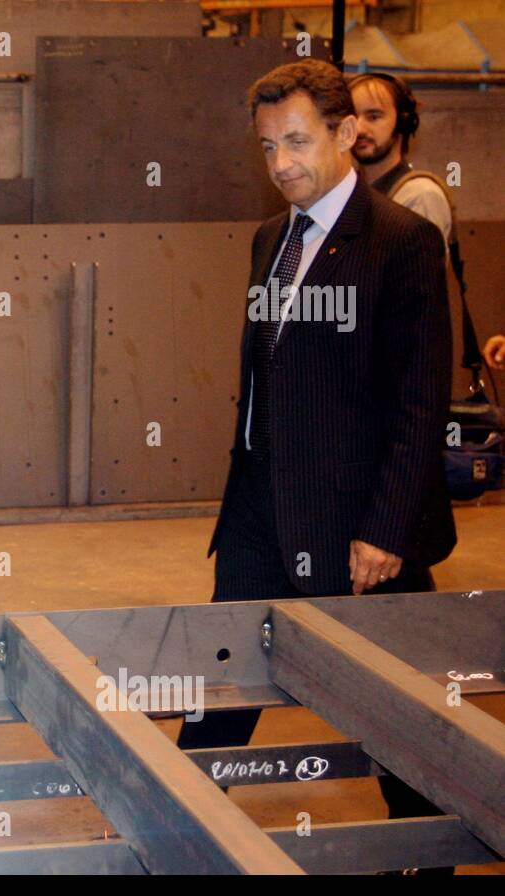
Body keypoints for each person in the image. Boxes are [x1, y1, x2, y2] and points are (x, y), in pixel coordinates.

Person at [183, 61, 456, 797]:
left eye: (298, 142)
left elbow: (420, 400)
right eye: (268, 147)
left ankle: (417, 870)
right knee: (219, 690)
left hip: (356, 524)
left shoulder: (402, 241)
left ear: (346, 134)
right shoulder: (272, 237)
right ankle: (172, 835)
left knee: (392, 712)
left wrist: (389, 528)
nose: (281, 164)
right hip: (255, 514)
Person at [349, 72, 453, 247]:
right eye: (352, 118)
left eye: (374, 117)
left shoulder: (420, 196)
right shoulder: (347, 192)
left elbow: (419, 273)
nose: (359, 128)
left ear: (402, 122)